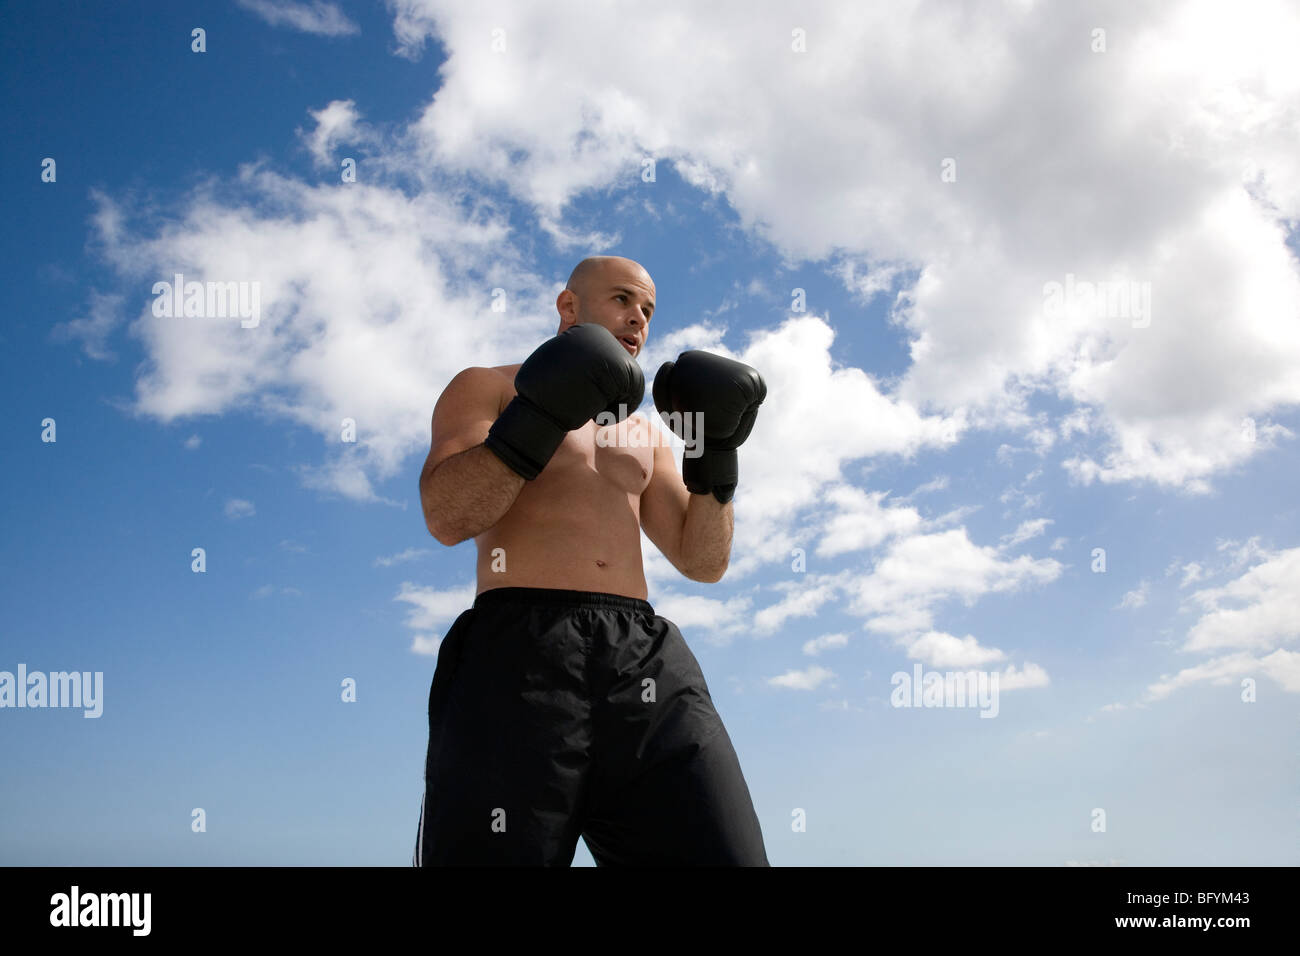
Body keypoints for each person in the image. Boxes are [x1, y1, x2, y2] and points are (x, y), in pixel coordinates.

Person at [413, 255, 769, 866]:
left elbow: (702, 560)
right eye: (623, 300)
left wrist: (716, 455)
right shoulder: (491, 386)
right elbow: (448, 515)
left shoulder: (647, 432)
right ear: (568, 307)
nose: (638, 318)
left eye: (649, 311)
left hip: (645, 659)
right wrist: (541, 414)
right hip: (518, 652)